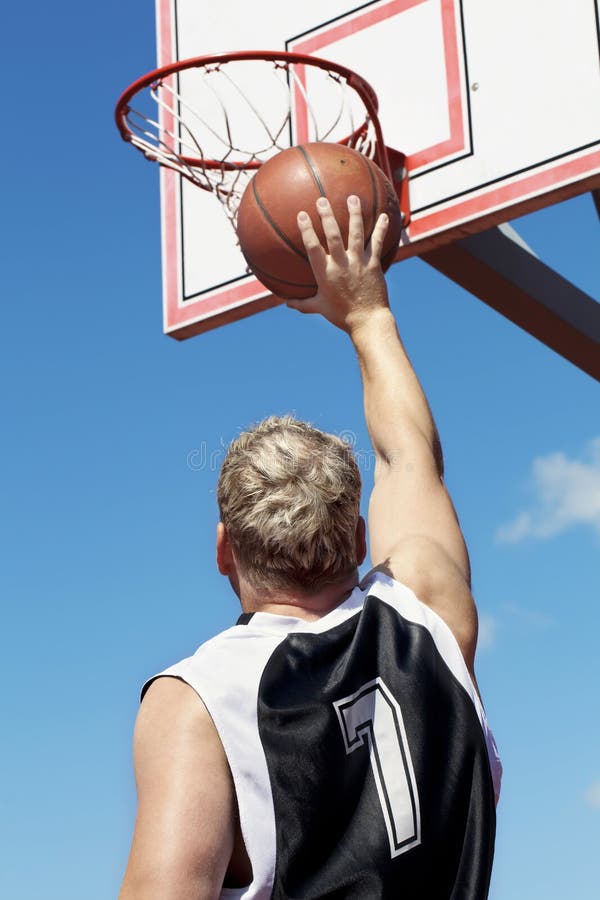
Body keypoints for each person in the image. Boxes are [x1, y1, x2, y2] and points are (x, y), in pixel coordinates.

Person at [119, 196, 502, 900]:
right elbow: (409, 457)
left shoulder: (199, 702)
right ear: (358, 537)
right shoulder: (428, 604)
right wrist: (367, 312)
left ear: (223, 550)